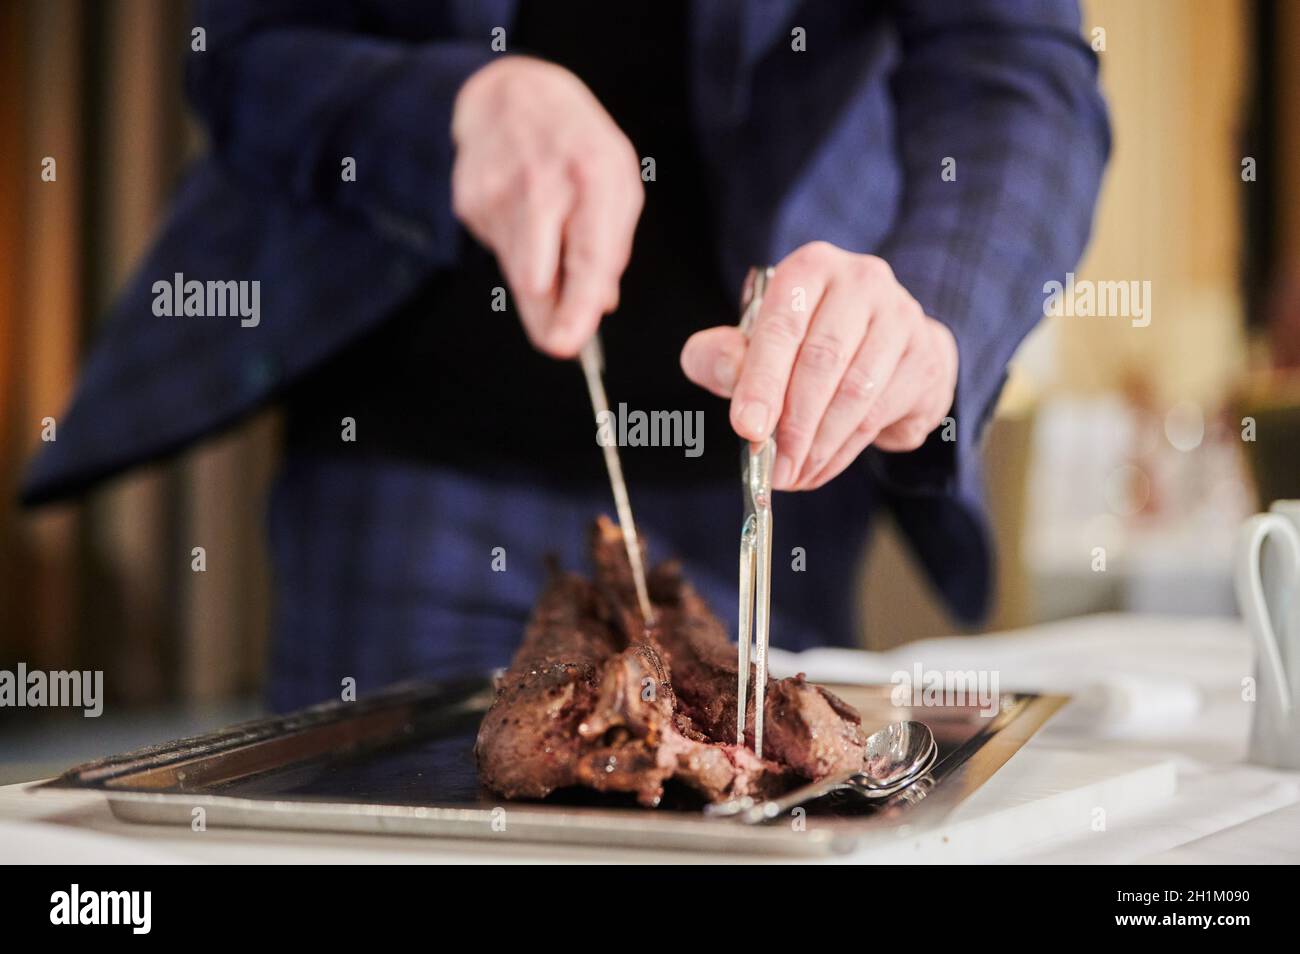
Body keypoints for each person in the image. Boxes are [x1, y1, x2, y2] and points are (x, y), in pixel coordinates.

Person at [22, 0, 1110, 710]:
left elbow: (1015, 63)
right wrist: (446, 106)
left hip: (768, 466)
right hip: (411, 467)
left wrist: (931, 312)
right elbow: (240, 51)